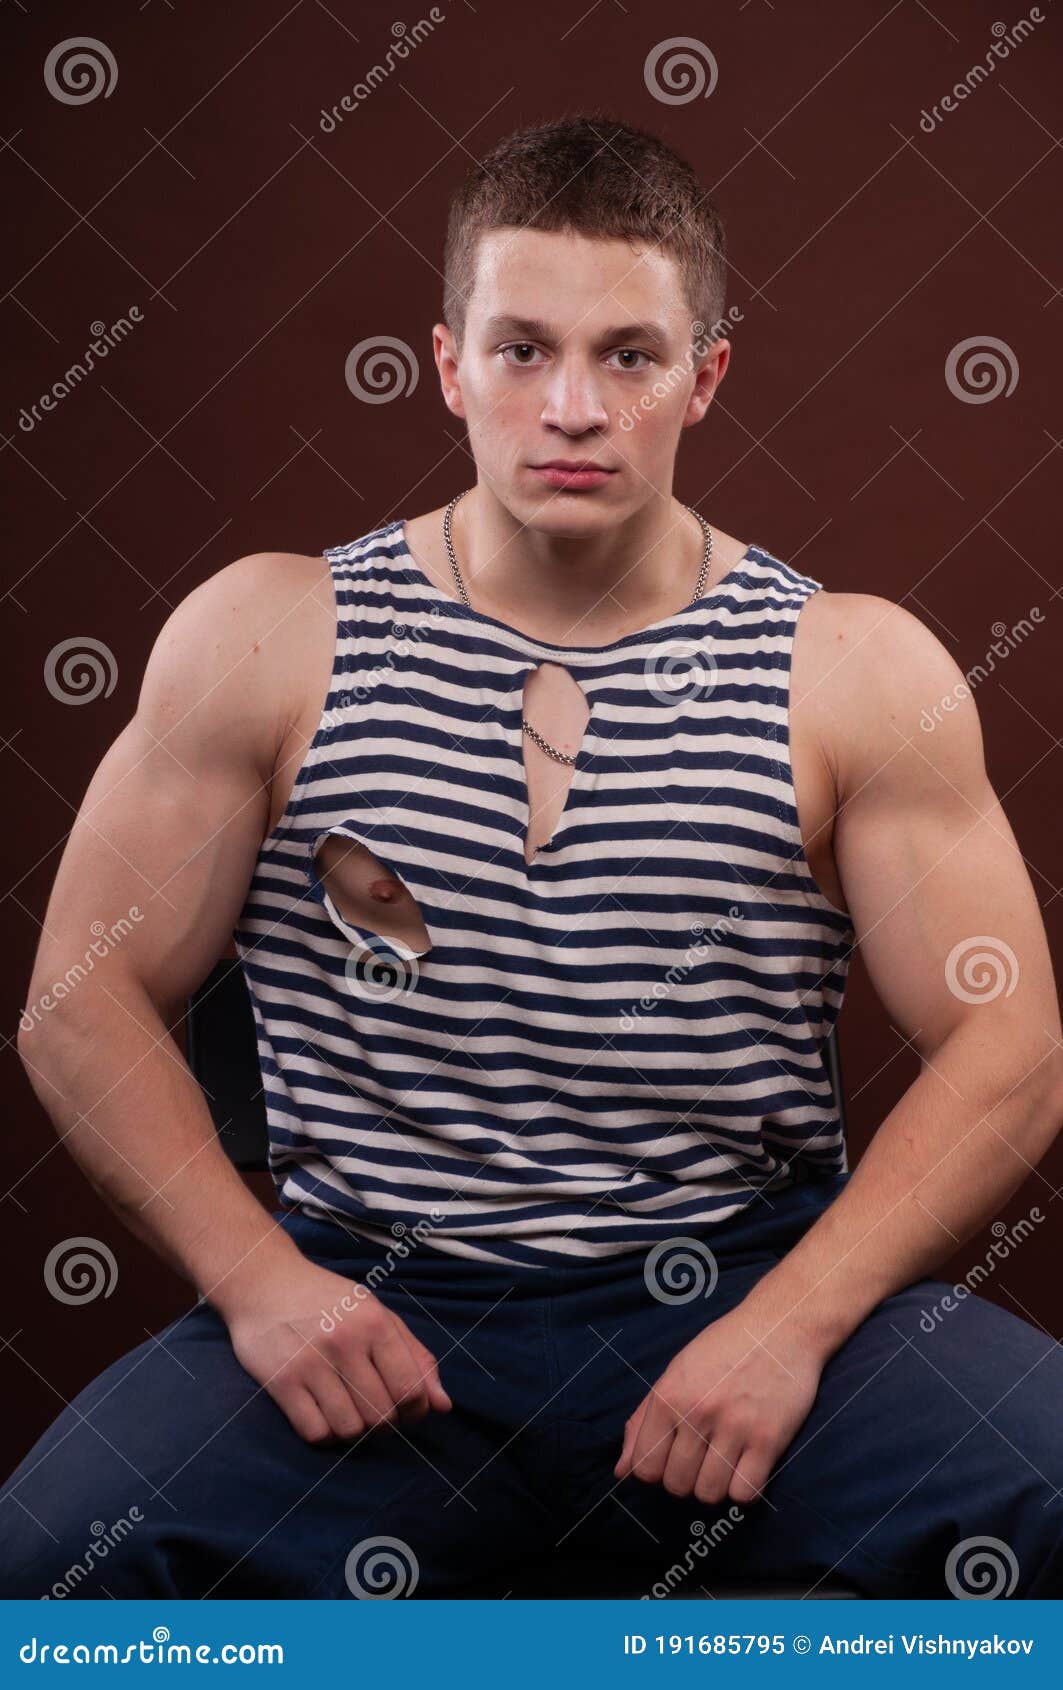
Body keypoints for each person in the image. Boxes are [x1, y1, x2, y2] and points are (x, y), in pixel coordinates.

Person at [3, 112, 1063, 1602]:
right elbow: (79, 997)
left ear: (706, 377)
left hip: (741, 1284)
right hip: (375, 1308)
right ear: (448, 366)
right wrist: (259, 1283)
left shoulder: (852, 667)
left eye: (630, 354)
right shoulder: (267, 636)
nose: (573, 404)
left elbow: (1008, 1038)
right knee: (50, 1568)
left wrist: (797, 1319)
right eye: (521, 350)